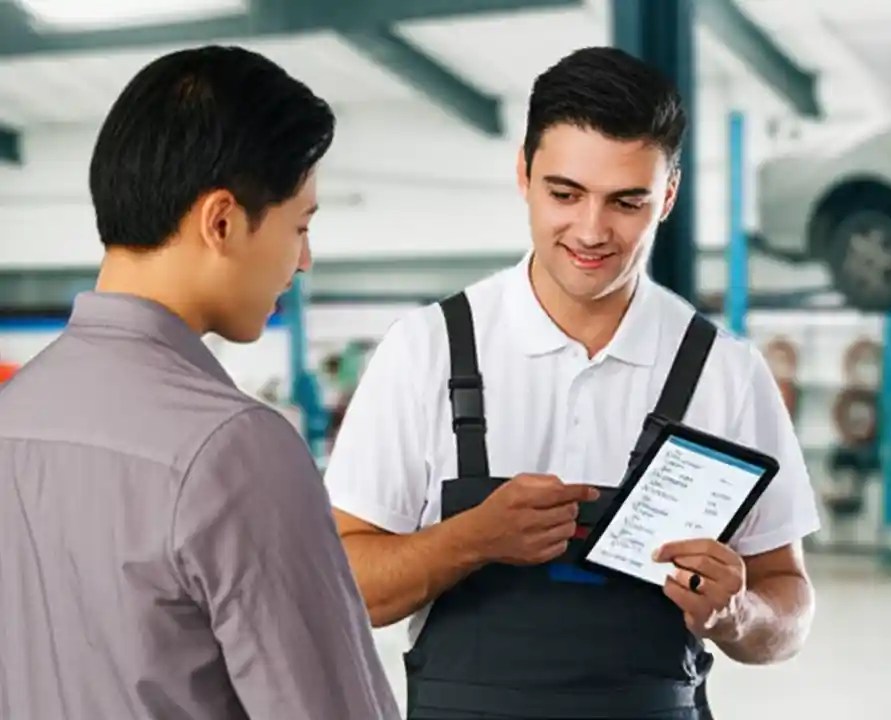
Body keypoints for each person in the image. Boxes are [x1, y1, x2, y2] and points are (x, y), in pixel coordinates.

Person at [325, 46, 821, 719]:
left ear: (668, 196)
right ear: (524, 175)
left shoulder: (723, 371)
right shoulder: (428, 352)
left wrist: (736, 614)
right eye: (565, 194)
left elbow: (787, 603)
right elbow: (343, 589)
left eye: (627, 201)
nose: (591, 231)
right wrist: (473, 539)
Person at [0, 46, 399, 720]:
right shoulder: (235, 448)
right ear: (221, 222)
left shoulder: (12, 417)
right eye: (299, 226)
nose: (303, 261)